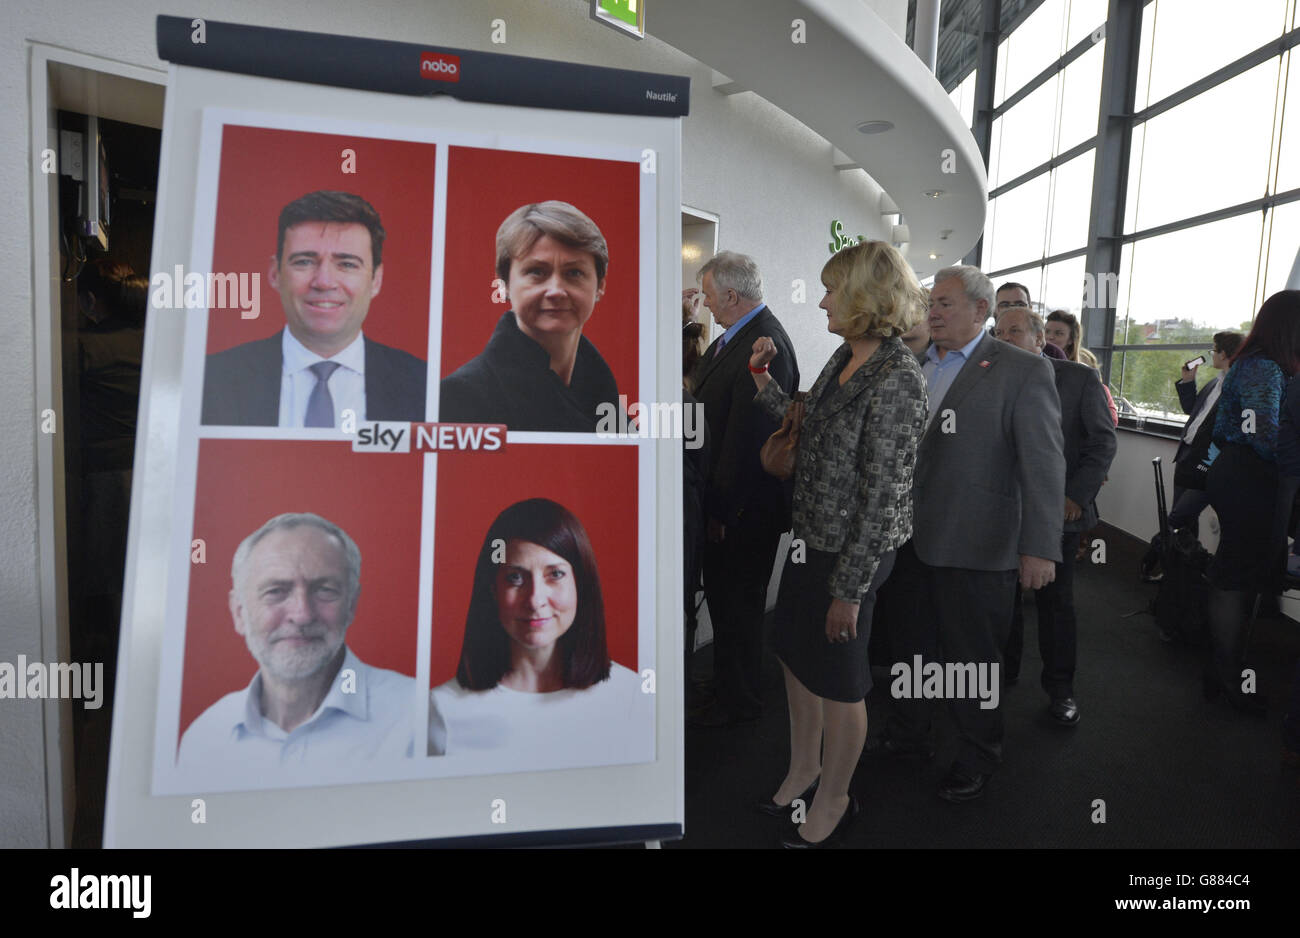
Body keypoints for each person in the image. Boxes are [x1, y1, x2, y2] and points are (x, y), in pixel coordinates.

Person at [748, 240, 927, 847]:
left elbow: (883, 496)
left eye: (832, 289)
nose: (821, 299)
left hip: (854, 553)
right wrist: (763, 382)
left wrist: (848, 591)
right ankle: (805, 766)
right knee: (796, 656)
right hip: (810, 539)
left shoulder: (898, 375)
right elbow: (810, 419)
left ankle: (836, 796)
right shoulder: (844, 355)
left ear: (865, 297)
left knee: (840, 677)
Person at [873, 265, 1065, 803]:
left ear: (981, 311)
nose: (931, 312)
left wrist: (1039, 547)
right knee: (910, 648)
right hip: (905, 539)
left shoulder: (1021, 371)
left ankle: (977, 752)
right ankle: (910, 733)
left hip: (978, 545)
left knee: (971, 659)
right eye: (930, 302)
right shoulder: (910, 363)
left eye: (946, 304)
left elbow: (1044, 466)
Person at [177, 513, 423, 775]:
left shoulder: (420, 716)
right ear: (239, 612)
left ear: (351, 605)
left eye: (324, 590)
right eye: (276, 592)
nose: (302, 614)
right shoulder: (204, 739)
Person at [429, 499, 652, 767]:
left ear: (580, 583)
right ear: (492, 589)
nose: (535, 600)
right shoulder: (441, 710)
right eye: (515, 577)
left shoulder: (629, 697)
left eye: (555, 574)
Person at [687, 251, 800, 726]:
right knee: (728, 604)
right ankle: (729, 688)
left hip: (742, 514)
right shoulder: (736, 337)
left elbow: (750, 443)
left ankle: (740, 706)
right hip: (729, 509)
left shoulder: (765, 341)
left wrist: (721, 513)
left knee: (739, 610)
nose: (708, 305)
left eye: (710, 297)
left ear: (732, 295)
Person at [202, 190, 427, 427]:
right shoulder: (211, 380)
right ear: (275, 273)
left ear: (376, 280)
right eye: (304, 262)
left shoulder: (425, 385)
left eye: (347, 264)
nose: (324, 282)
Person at [994, 305, 1116, 724]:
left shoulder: (1078, 379)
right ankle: (1002, 675)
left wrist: (1075, 498)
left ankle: (1060, 689)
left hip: (1058, 513)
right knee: (1003, 601)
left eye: (1014, 331)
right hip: (1002, 511)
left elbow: (1102, 443)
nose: (1004, 338)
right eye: (998, 330)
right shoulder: (989, 375)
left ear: (1038, 339)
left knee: (1055, 603)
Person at [439, 201, 622, 431]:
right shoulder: (461, 398)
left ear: (600, 286)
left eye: (574, 273)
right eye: (537, 272)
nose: (556, 290)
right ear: (504, 284)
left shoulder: (605, 398)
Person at [1203, 291, 1300, 714]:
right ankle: (1227, 678)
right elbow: (1264, 435)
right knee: (1236, 578)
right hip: (1250, 478)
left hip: (1246, 475)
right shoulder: (1262, 365)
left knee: (1240, 575)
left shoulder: (1262, 362)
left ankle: (1223, 674)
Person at [1169, 331, 1245, 533]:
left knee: (1179, 516)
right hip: (1186, 455)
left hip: (1207, 461)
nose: (1211, 354)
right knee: (1183, 518)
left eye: (1214, 350)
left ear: (1224, 354)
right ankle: (1180, 562)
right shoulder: (1214, 383)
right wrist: (1188, 381)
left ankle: (1176, 556)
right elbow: (1192, 410)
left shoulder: (1238, 388)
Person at [1047, 308, 1119, 426]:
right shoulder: (1034, 366)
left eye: (1058, 333)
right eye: (1047, 331)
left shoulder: (1082, 373)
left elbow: (1108, 420)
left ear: (1070, 340)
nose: (1050, 337)